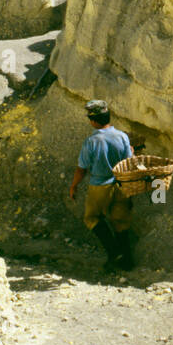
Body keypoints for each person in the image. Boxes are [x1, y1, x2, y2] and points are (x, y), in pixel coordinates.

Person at [69, 100, 135, 270]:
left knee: (92, 218)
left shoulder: (91, 141)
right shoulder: (122, 136)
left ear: (93, 121)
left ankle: (114, 252)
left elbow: (81, 168)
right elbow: (129, 161)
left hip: (99, 185)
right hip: (121, 184)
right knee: (120, 221)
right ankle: (127, 262)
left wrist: (74, 186)